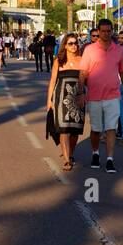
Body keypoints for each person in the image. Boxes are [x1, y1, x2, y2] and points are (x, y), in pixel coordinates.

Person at [78, 19, 123, 174]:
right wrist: (80, 92)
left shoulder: (118, 50)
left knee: (111, 128)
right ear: (98, 32)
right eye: (103, 31)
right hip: (94, 96)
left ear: (112, 31)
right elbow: (83, 73)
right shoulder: (89, 50)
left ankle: (109, 159)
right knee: (95, 129)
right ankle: (95, 153)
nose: (106, 33)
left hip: (113, 95)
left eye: (109, 31)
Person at [46, 34, 85, 171]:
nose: (73, 46)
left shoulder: (82, 60)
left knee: (75, 131)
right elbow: (52, 81)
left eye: (75, 43)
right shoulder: (59, 61)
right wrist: (49, 100)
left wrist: (83, 95)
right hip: (61, 97)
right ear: (65, 45)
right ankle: (67, 160)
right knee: (64, 130)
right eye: (70, 43)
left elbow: (85, 81)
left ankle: (71, 153)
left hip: (78, 97)